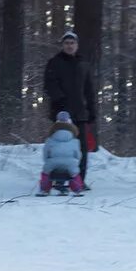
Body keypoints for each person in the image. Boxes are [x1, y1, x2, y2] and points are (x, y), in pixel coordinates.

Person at [43, 31, 96, 188]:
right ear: (62, 45)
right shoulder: (54, 63)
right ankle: (58, 178)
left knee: (81, 148)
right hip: (61, 113)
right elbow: (49, 85)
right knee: (60, 147)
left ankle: (79, 179)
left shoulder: (83, 64)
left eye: (72, 43)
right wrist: (61, 101)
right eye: (66, 43)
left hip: (80, 113)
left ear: (77, 45)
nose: (69, 46)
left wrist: (91, 110)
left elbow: (89, 90)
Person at [37, 111, 84, 195]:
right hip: (70, 162)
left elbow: (45, 153)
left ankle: (44, 189)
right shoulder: (75, 140)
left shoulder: (50, 139)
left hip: (53, 162)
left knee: (46, 172)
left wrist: (47, 161)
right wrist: (76, 162)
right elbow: (78, 155)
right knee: (75, 173)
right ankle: (77, 189)